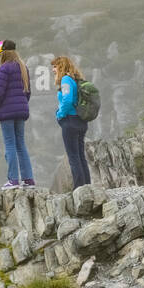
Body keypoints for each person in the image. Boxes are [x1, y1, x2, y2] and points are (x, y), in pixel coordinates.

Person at [0, 39, 34, 189]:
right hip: (21, 111)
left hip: (6, 112)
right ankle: (28, 179)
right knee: (21, 144)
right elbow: (28, 92)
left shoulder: (3, 69)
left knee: (10, 144)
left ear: (3, 53)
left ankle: (13, 180)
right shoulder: (23, 67)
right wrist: (22, 105)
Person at [52, 55, 92, 189]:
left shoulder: (65, 80)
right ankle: (87, 186)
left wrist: (59, 114)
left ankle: (79, 188)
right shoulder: (76, 79)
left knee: (73, 157)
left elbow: (67, 100)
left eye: (55, 66)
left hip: (70, 121)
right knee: (80, 156)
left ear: (61, 67)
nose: (53, 70)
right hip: (81, 121)